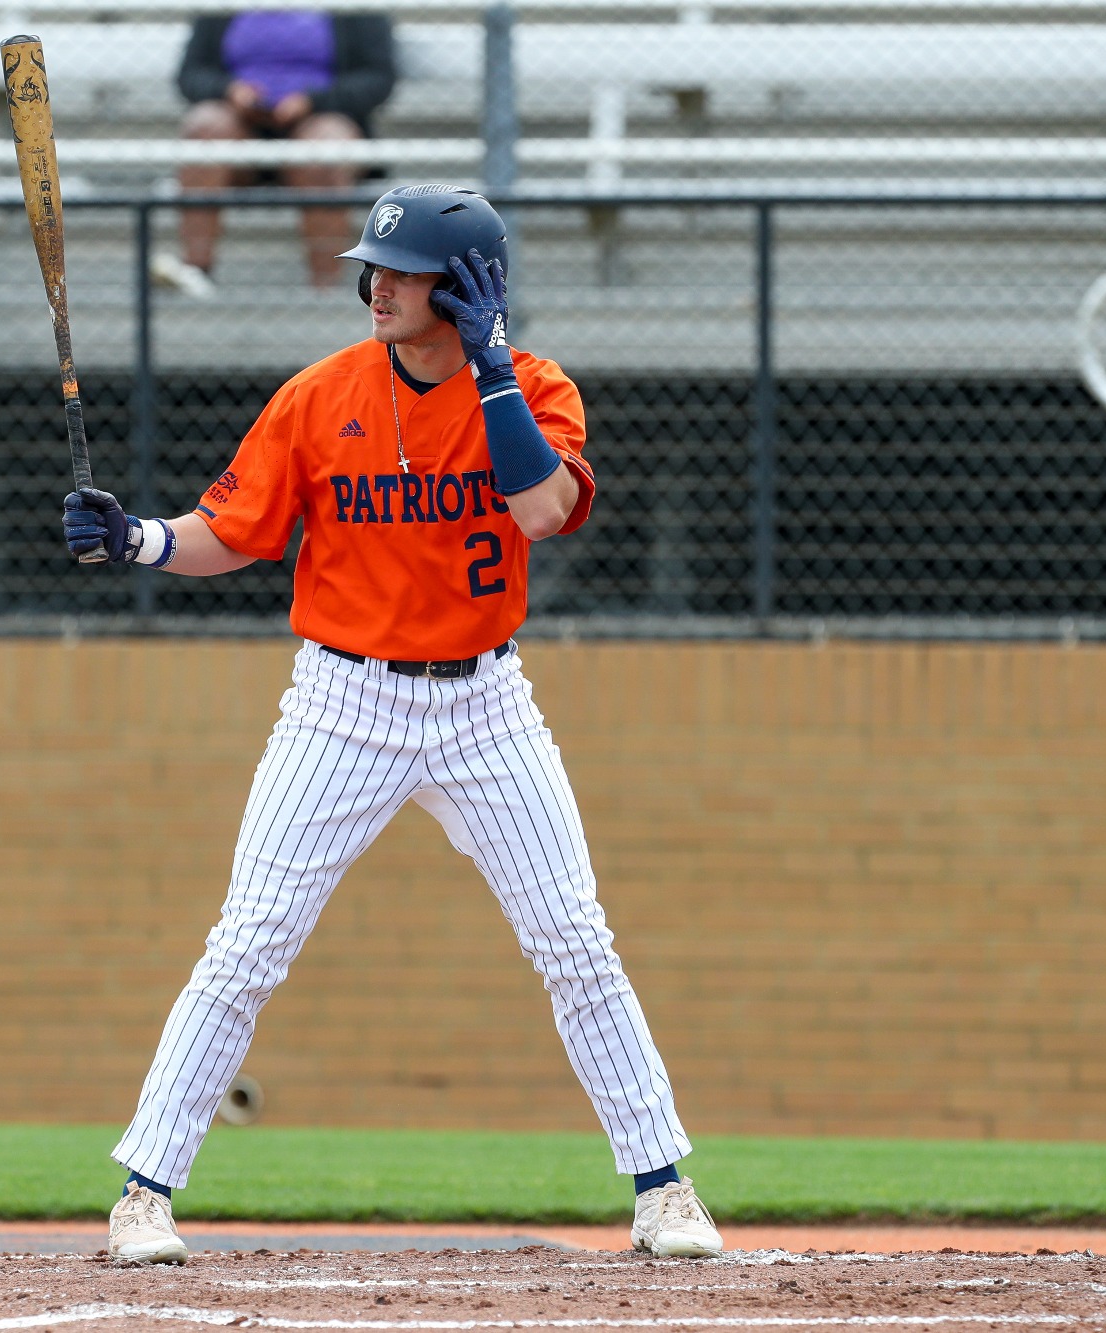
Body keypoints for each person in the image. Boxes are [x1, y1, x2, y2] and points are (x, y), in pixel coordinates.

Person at [63, 184, 722, 1266]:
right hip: (341, 701)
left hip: (484, 703)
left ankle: (662, 1188)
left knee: (573, 940)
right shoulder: (319, 395)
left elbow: (542, 509)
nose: (377, 285)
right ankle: (143, 1192)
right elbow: (228, 533)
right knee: (248, 942)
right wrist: (134, 539)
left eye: (408, 271)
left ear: (464, 289)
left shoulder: (538, 389)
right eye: (378, 266)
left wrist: (494, 365)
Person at [165, 10, 395, 291]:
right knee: (204, 126)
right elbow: (191, 75)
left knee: (324, 148)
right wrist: (230, 91)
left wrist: (312, 100)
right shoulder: (219, 9)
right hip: (240, 126)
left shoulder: (355, 9)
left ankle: (324, 290)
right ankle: (195, 274)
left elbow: (378, 78)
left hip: (321, 116)